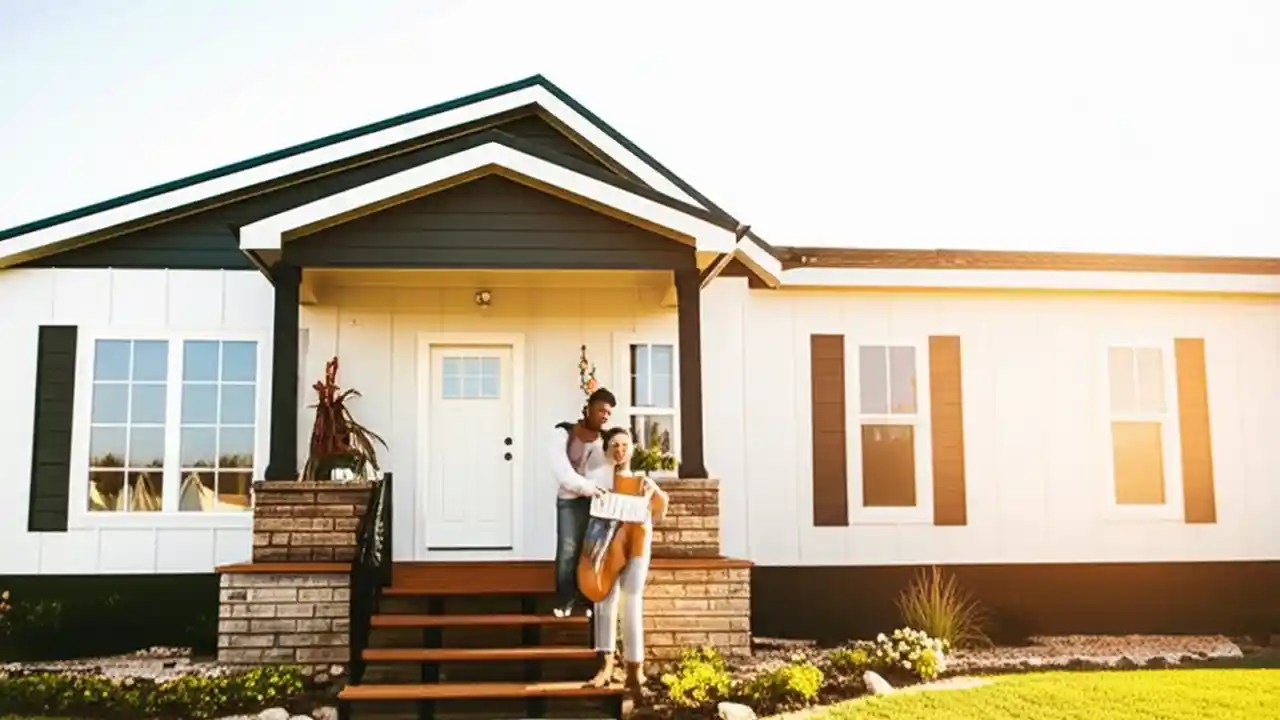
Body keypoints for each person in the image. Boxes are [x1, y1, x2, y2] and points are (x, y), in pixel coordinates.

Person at [584, 427, 669, 697]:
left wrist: (651, 514)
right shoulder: (602, 480)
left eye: (624, 445)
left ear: (631, 448)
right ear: (608, 450)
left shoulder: (642, 480)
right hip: (609, 544)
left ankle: (635, 669)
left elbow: (662, 505)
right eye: (614, 446)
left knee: (631, 600)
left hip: (637, 544)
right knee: (604, 599)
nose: (619, 450)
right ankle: (606, 665)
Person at [548, 387, 616, 618]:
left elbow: (613, 466)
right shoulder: (564, 433)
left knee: (591, 553)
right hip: (570, 501)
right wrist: (587, 487)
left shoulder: (606, 440)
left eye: (608, 413)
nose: (605, 416)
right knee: (568, 551)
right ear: (587, 409)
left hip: (598, 504)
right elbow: (562, 471)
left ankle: (587, 600)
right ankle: (565, 600)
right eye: (600, 410)